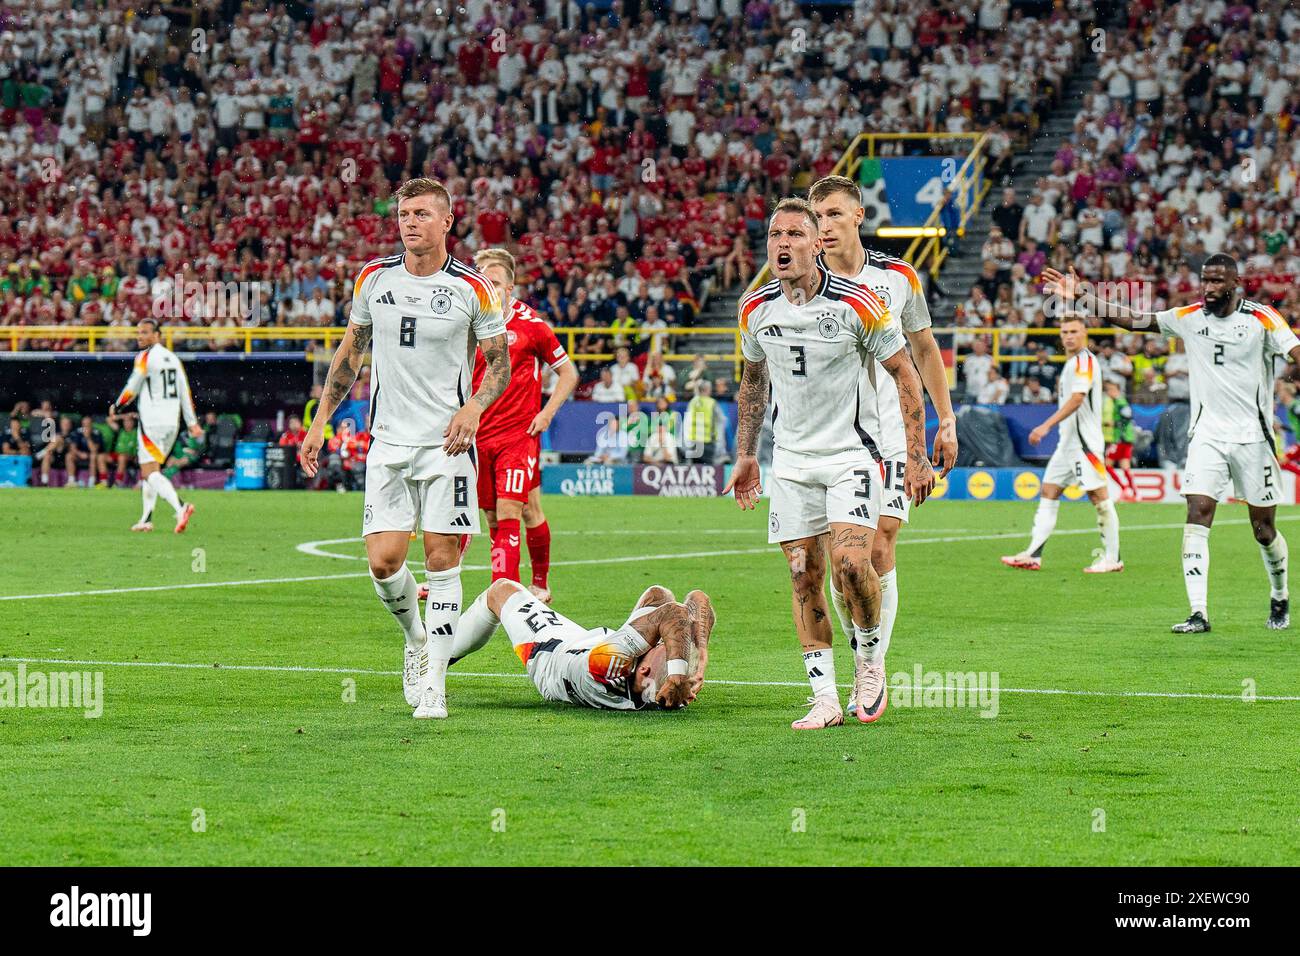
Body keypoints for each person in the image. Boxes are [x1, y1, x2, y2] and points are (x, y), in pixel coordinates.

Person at [300, 177, 511, 720]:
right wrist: (320, 422)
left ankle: (436, 682)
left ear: (447, 221)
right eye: (403, 214)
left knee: (442, 562)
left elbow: (500, 366)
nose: (409, 222)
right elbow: (350, 356)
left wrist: (474, 408)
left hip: (448, 445)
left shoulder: (474, 288)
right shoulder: (374, 279)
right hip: (389, 444)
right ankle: (417, 640)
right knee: (383, 561)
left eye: (420, 213)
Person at [724, 197, 933, 730]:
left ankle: (868, 657)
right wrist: (747, 454)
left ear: (817, 244)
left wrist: (916, 455)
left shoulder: (859, 304)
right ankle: (823, 697)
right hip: (790, 462)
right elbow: (752, 383)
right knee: (801, 575)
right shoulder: (755, 309)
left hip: (851, 456)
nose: (782, 244)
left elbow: (906, 374)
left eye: (795, 234)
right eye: (775, 235)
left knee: (851, 565)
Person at [1045, 255, 1300, 632]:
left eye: (1216, 281)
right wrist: (1084, 295)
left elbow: (1295, 353)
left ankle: (1279, 595)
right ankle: (1198, 613)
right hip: (1207, 437)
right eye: (1205, 280)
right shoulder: (1191, 317)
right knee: (1198, 512)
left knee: (1263, 530)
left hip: (1254, 439)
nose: (1208, 288)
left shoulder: (1262, 318)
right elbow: (1132, 319)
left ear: (1234, 282)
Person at [811, 175, 958, 718]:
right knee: (840, 559)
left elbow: (924, 347)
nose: (823, 227)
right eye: (816, 217)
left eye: (832, 215)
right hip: (831, 436)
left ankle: (871, 666)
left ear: (857, 217)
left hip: (895, 431)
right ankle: (860, 651)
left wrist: (945, 421)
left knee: (878, 546)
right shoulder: (804, 281)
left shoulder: (898, 277)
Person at [470, 248, 577, 602]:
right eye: (483, 280)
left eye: (495, 282)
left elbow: (568, 373)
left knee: (510, 510)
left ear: (510, 288)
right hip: (478, 436)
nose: (488, 287)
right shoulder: (468, 323)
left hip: (518, 435)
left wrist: (546, 413)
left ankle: (507, 595)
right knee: (503, 516)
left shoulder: (531, 326)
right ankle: (539, 585)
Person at [447, 582, 713, 711]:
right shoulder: (663, 689)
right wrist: (698, 660)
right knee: (660, 596)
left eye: (659, 645)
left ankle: (435, 657)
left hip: (553, 655)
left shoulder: (607, 669)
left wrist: (677, 673)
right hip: (596, 644)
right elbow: (696, 600)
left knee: (501, 591)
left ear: (642, 669)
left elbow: (674, 615)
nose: (660, 640)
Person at [1001, 315, 1123, 573]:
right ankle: (1033, 554)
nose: (1068, 336)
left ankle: (1113, 558)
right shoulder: (1072, 362)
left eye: (1074, 331)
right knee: (1049, 491)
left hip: (1083, 444)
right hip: (1067, 444)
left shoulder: (1084, 362)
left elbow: (1077, 399)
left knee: (1099, 498)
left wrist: (1046, 425)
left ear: (1084, 334)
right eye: (1065, 331)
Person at [109, 319, 202, 532]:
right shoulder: (173, 358)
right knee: (152, 470)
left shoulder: (145, 357)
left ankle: (181, 507)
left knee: (148, 472)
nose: (140, 336)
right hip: (172, 422)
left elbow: (133, 386)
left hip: (152, 421)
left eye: (145, 332)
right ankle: (146, 518)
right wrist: (192, 423)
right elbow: (184, 392)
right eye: (138, 332)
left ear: (157, 335)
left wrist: (117, 405)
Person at [1102, 378, 1135, 495]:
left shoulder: (1120, 402)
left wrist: (1114, 423)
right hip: (1127, 438)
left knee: (1107, 464)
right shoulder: (1117, 402)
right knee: (1125, 465)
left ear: (1118, 391)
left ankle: (1124, 488)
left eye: (1112, 390)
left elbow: (1128, 416)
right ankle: (1134, 492)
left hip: (1121, 438)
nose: (1109, 392)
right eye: (1108, 390)